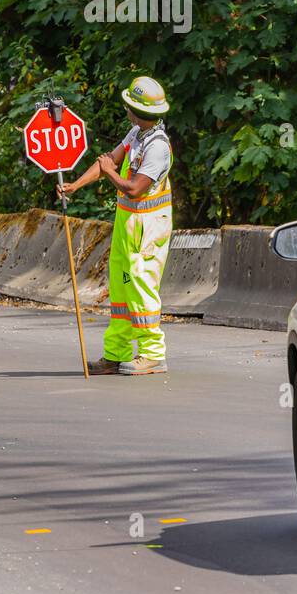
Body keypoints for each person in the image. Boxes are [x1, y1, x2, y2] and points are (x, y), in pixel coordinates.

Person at [61, 76, 173, 375]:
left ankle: (152, 355)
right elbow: (107, 161)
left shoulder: (158, 147)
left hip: (148, 228)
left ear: (135, 109)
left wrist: (110, 171)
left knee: (141, 286)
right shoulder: (137, 133)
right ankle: (116, 354)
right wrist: (76, 186)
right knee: (122, 290)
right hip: (127, 223)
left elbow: (134, 188)